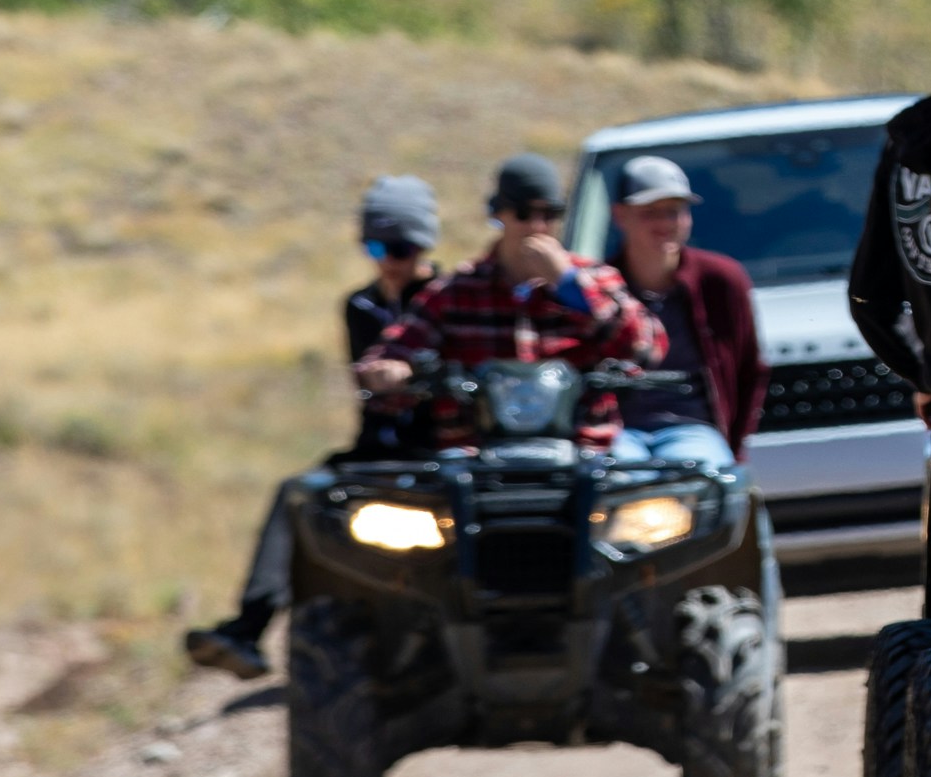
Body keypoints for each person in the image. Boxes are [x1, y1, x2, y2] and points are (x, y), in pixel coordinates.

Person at [186, 176, 443, 682]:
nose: (389, 259)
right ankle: (250, 628)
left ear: (424, 244)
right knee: (297, 495)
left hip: (440, 448)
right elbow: (369, 391)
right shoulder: (359, 307)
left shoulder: (450, 298)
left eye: (401, 247)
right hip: (377, 450)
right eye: (377, 246)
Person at [362, 154, 662, 444]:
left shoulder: (595, 279)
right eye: (524, 214)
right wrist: (391, 373)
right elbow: (392, 354)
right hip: (477, 454)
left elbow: (648, 347)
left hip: (581, 447)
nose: (537, 226)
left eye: (550, 215)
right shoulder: (457, 291)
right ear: (498, 215)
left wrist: (569, 284)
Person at [603, 151, 766, 471]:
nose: (665, 223)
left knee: (715, 486)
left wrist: (734, 448)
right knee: (608, 485)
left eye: (675, 211)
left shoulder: (721, 280)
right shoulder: (598, 285)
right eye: (650, 212)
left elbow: (750, 370)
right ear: (620, 215)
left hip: (694, 430)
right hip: (617, 434)